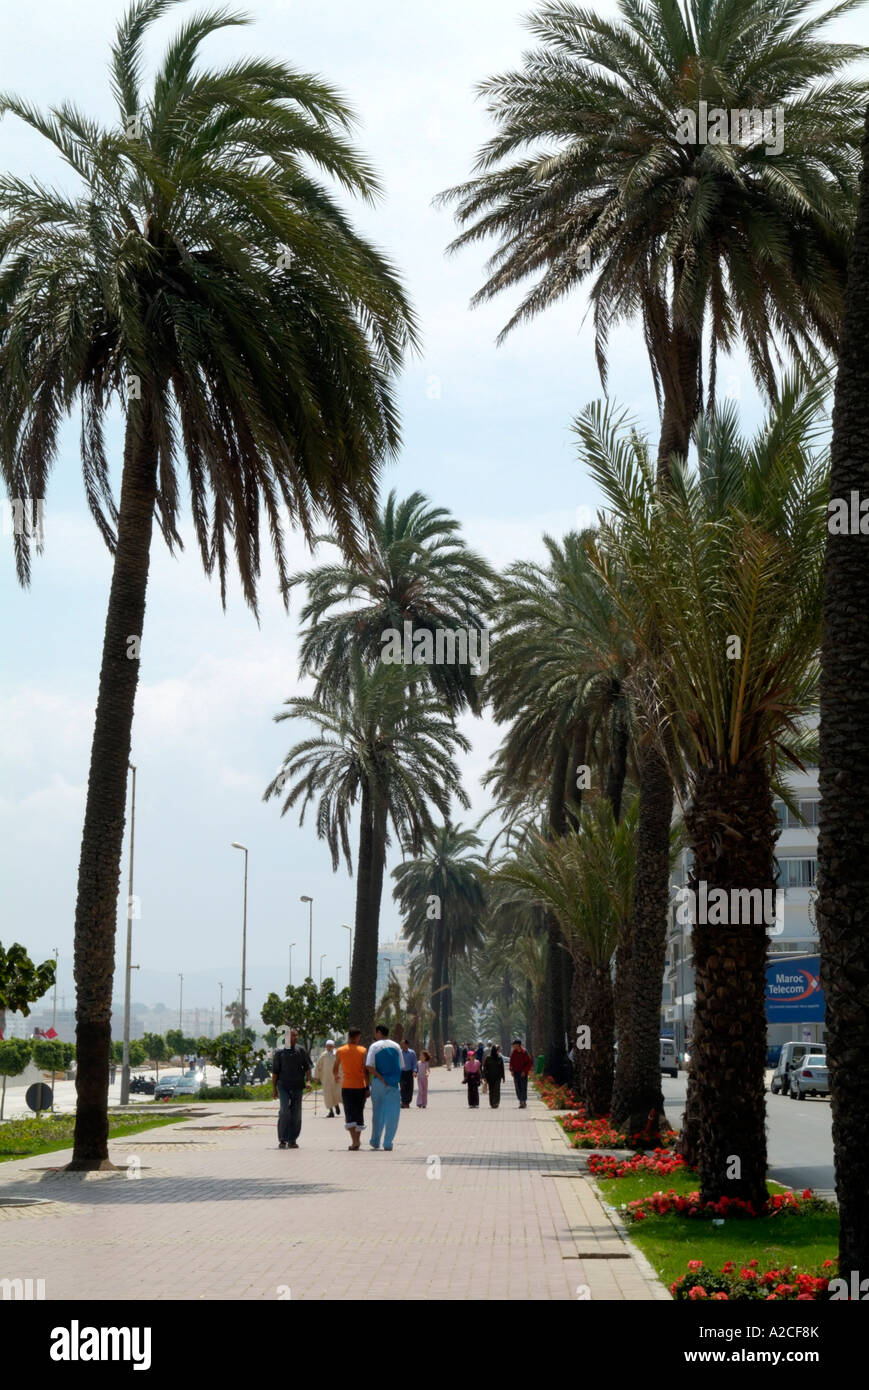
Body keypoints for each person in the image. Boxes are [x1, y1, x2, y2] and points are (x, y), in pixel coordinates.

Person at [271, 1027, 313, 1148]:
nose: (295, 1038)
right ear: (286, 1038)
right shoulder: (279, 1052)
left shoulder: (301, 1050)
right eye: (292, 1036)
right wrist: (274, 1089)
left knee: (296, 1114)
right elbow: (275, 1072)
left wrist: (308, 1081)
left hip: (297, 1086)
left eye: (296, 1036)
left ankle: (292, 1139)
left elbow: (308, 1068)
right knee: (285, 1111)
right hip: (283, 1086)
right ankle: (282, 1139)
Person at [366, 1024, 403, 1151]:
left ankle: (375, 1141)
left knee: (377, 1112)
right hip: (393, 1084)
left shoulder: (374, 1046)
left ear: (379, 1032)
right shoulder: (396, 1046)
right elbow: (401, 1065)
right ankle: (388, 1142)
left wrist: (381, 1077)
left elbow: (369, 1065)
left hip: (378, 1083)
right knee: (393, 1114)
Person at [335, 1028, 368, 1150]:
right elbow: (365, 1070)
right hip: (360, 1086)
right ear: (357, 1037)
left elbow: (335, 1068)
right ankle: (357, 1140)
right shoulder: (363, 1050)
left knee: (349, 1114)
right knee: (359, 1113)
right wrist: (367, 1087)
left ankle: (354, 1141)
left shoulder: (340, 1050)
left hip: (347, 1086)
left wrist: (336, 1076)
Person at [315, 1040, 342, 1117]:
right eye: (328, 1045)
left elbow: (342, 1066)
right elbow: (318, 1066)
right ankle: (331, 1111)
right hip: (326, 1078)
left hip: (335, 1077)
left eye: (331, 1045)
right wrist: (316, 1077)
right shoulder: (323, 1055)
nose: (329, 1047)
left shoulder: (337, 1054)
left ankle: (336, 1105)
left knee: (336, 1093)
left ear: (334, 1046)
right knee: (327, 1095)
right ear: (326, 1046)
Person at [509, 1038, 533, 1108]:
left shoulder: (524, 1052)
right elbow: (511, 1062)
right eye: (513, 1045)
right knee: (517, 1087)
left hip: (523, 1073)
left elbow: (529, 1063)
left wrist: (524, 1071)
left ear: (518, 1045)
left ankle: (523, 1101)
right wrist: (512, 1070)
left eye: (514, 1045)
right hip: (516, 1073)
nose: (513, 1046)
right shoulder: (513, 1053)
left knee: (523, 1087)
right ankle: (520, 1100)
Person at [399, 1039, 417, 1108]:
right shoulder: (399, 1052)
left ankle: (407, 1102)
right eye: (401, 1044)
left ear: (406, 1044)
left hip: (409, 1072)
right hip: (402, 1072)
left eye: (403, 1044)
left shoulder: (412, 1053)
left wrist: (415, 1071)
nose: (401, 1045)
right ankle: (404, 1102)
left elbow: (414, 1063)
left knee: (409, 1088)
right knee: (402, 1087)